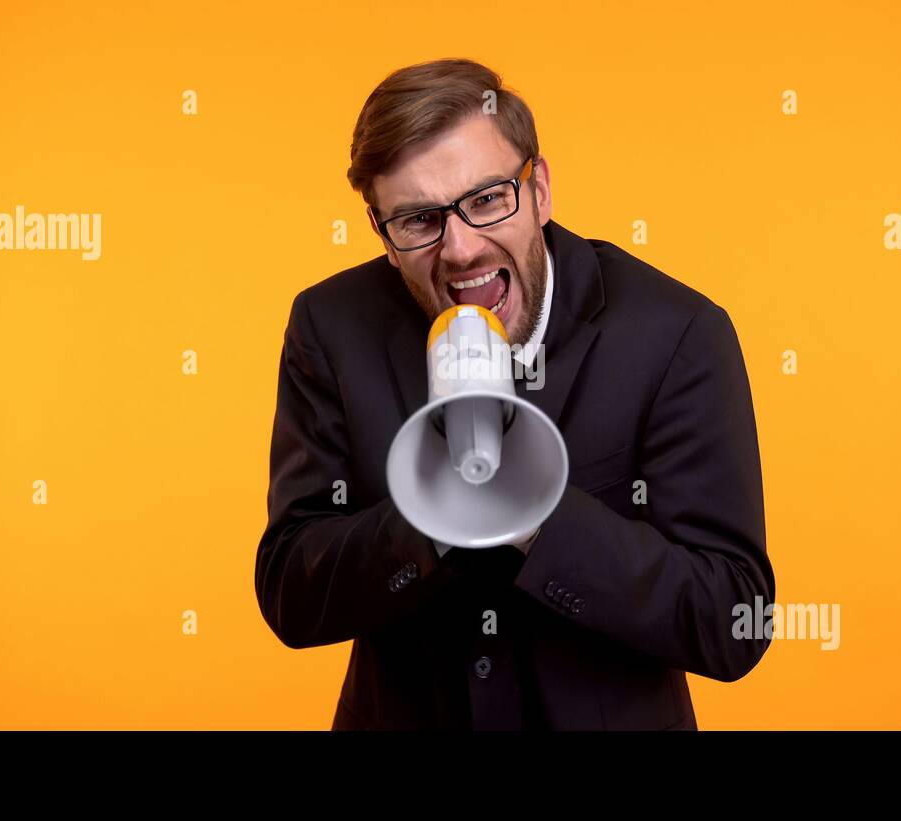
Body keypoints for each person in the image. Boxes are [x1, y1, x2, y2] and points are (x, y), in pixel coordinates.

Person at [255, 58, 775, 730]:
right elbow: (292, 594)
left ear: (541, 189)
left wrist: (535, 514)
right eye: (418, 220)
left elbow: (733, 618)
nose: (461, 249)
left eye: (488, 198)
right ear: (382, 233)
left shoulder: (674, 334)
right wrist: (431, 510)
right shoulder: (331, 327)